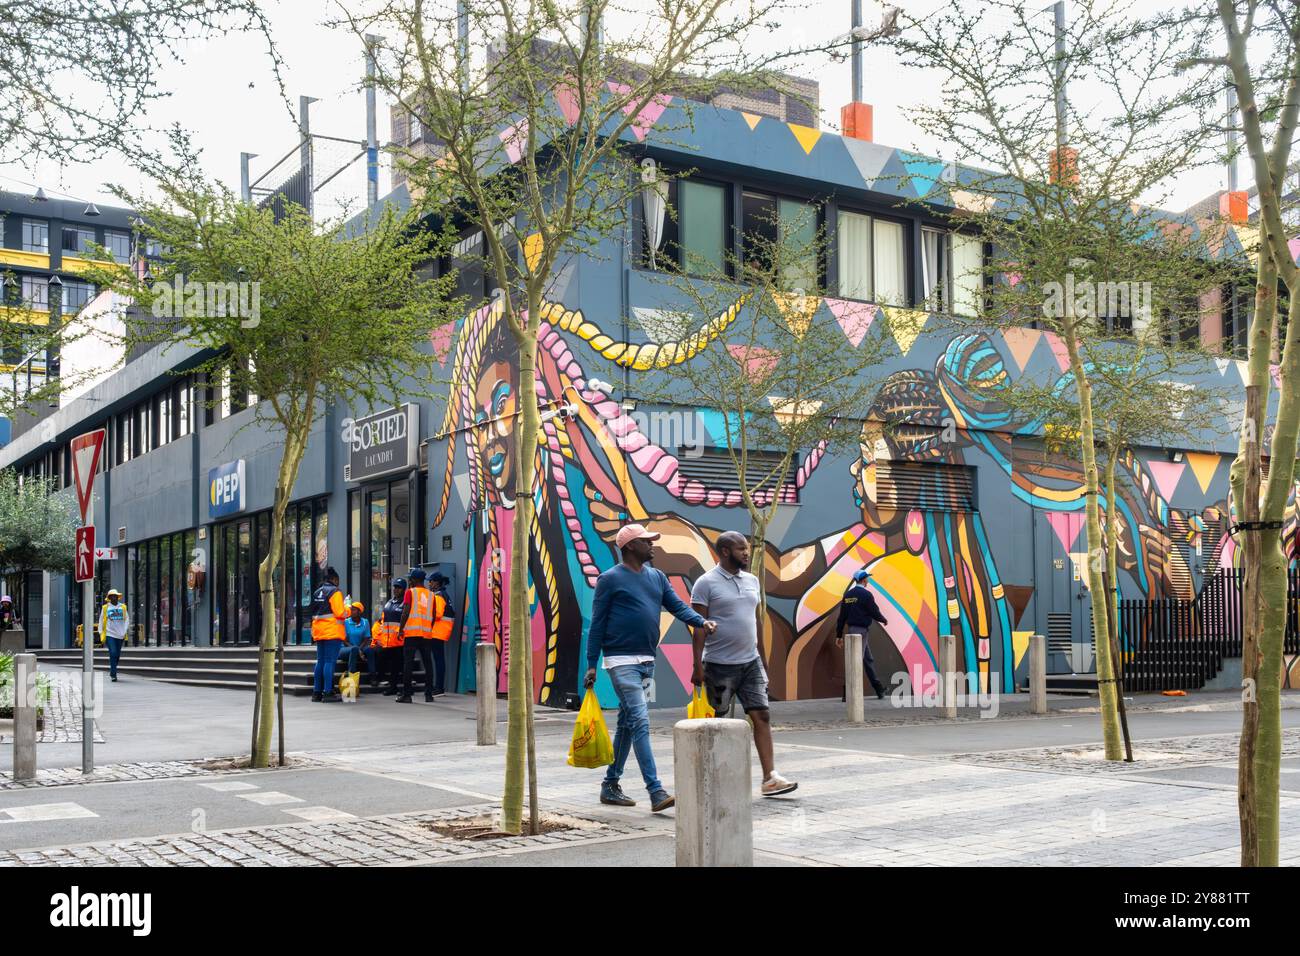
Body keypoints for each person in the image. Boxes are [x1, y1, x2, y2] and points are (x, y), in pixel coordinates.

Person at [584, 523, 716, 813]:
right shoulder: (610, 579)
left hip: (647, 662)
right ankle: (656, 791)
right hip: (621, 662)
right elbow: (598, 624)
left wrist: (700, 622)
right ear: (630, 546)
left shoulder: (657, 577)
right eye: (646, 541)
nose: (652, 544)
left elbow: (679, 607)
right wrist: (592, 664)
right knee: (641, 720)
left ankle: (610, 784)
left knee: (628, 724)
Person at [690, 531, 798, 797]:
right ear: (725, 551)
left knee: (761, 715)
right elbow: (697, 626)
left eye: (747, 549)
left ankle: (770, 778)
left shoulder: (751, 580)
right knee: (718, 722)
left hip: (750, 662)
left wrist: (762, 656)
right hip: (718, 664)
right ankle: (714, 780)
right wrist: (697, 666)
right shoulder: (705, 583)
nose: (747, 553)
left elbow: (755, 620)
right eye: (741, 549)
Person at [835, 569, 888, 700]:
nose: (868, 580)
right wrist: (883, 619)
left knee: (867, 659)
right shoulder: (866, 595)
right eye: (867, 578)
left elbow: (842, 617)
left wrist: (839, 635)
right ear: (864, 580)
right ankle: (847, 693)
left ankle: (879, 689)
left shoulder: (848, 595)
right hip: (862, 631)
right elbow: (874, 611)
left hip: (852, 630)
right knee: (855, 660)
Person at [397, 568, 441, 703]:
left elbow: (405, 612)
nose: (409, 580)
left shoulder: (410, 592)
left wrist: (401, 629)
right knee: (428, 663)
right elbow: (433, 615)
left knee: (408, 664)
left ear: (415, 580)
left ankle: (407, 695)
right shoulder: (431, 595)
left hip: (411, 633)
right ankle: (429, 695)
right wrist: (428, 627)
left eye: (410, 578)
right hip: (426, 634)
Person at [310, 566, 348, 702]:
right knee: (329, 662)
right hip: (332, 632)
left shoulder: (317, 592)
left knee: (320, 661)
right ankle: (328, 692)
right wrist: (348, 608)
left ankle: (316, 692)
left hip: (319, 631)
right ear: (334, 579)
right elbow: (340, 613)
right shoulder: (335, 592)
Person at [371, 578, 407, 694]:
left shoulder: (405, 603)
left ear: (404, 589)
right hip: (387, 640)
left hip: (399, 640)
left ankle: (396, 687)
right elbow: (383, 621)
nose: (396, 589)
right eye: (395, 587)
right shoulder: (389, 602)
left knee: (397, 666)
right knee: (385, 660)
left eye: (398, 587)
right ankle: (387, 683)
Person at [428, 571, 455, 695]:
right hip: (442, 630)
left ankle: (438, 687)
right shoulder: (444, 594)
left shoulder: (438, 595)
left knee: (438, 659)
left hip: (437, 631)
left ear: (437, 582)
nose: (429, 583)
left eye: (431, 581)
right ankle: (438, 686)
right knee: (439, 659)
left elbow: (437, 614)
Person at [98, 589, 131, 682]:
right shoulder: (105, 608)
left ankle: (113, 669)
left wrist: (124, 631)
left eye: (115, 596)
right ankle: (113, 674)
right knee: (113, 652)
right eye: (112, 596)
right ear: (109, 598)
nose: (114, 597)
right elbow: (101, 620)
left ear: (117, 597)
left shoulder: (123, 607)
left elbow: (127, 619)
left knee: (117, 654)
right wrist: (101, 632)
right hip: (109, 634)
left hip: (120, 634)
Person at [340, 600, 370, 689]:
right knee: (354, 649)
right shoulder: (346, 622)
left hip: (359, 649)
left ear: (359, 612)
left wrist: (359, 649)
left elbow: (366, 639)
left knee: (370, 650)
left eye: (353, 610)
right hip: (345, 649)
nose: (351, 612)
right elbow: (344, 641)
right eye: (351, 609)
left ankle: (373, 676)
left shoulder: (365, 622)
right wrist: (357, 649)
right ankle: (351, 678)